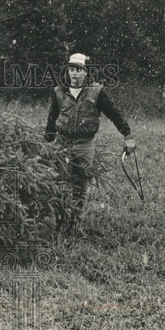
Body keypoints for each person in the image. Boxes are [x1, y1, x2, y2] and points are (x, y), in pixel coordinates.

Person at [44, 53, 136, 236]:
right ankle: (59, 223)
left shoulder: (97, 92)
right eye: (72, 69)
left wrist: (128, 136)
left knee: (80, 187)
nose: (75, 74)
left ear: (86, 72)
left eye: (79, 70)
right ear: (67, 71)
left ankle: (74, 224)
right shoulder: (59, 91)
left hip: (84, 145)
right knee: (59, 184)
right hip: (61, 144)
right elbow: (52, 117)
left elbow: (115, 114)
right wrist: (47, 139)